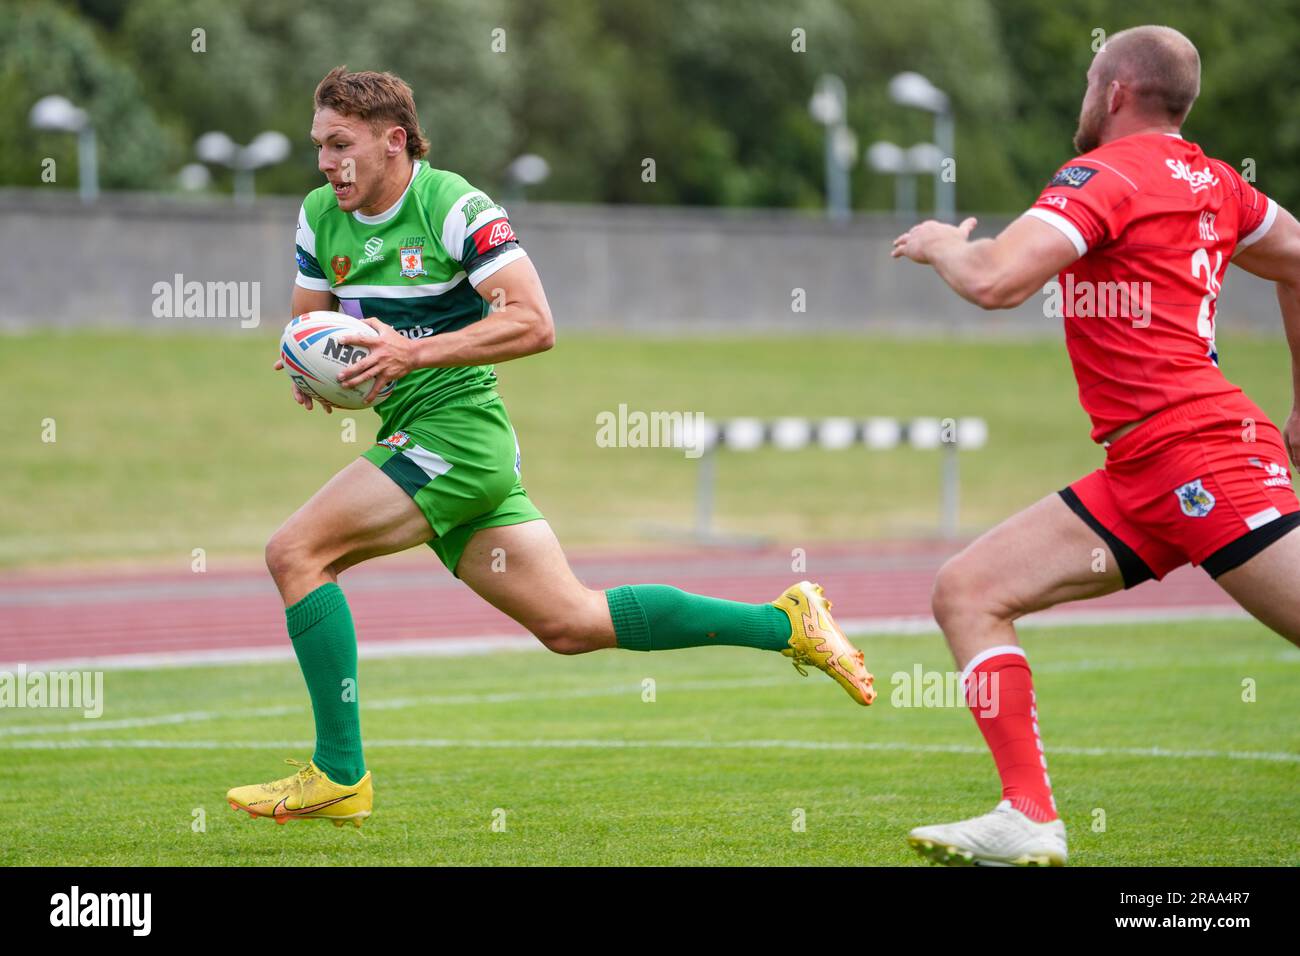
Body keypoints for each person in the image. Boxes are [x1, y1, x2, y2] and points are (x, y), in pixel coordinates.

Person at [227, 66, 875, 827]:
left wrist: (412, 352)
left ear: (393, 141)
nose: (326, 162)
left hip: (457, 437)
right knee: (572, 624)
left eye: (342, 144)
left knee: (295, 553)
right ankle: (788, 624)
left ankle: (339, 772)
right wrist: (307, 369)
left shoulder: (454, 208)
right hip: (431, 441)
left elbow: (535, 323)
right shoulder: (317, 216)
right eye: (319, 146)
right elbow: (310, 327)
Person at [890, 25, 1300, 865]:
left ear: (1113, 93)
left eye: (1087, 81)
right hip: (1144, 468)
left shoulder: (1103, 174)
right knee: (967, 591)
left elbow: (996, 280)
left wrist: (941, 245)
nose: (1084, 97)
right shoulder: (1218, 182)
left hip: (1200, 457)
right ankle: (1027, 817)